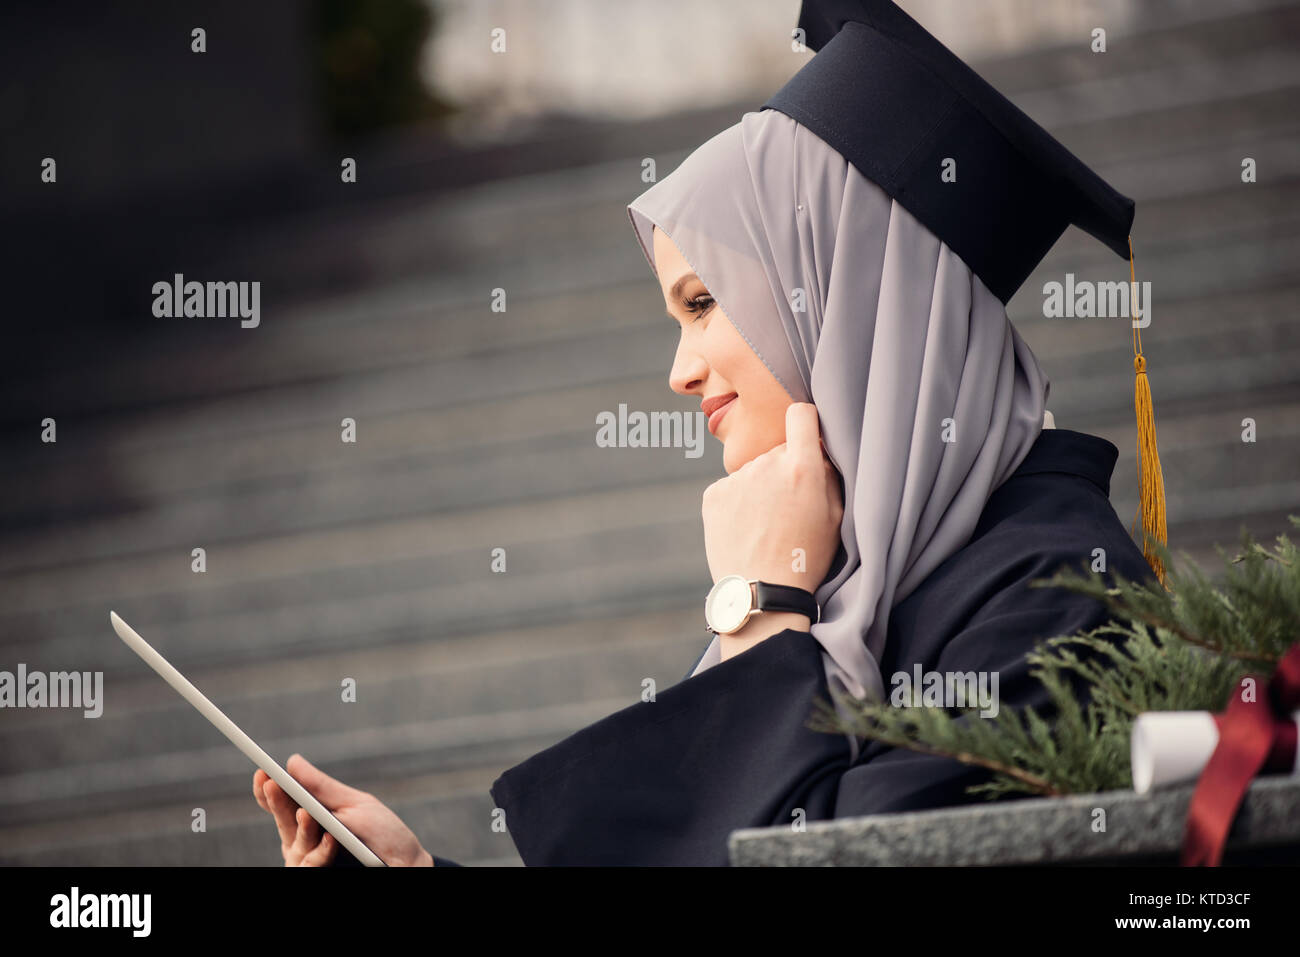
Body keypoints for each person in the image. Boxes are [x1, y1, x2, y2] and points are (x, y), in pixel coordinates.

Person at [254, 0, 1164, 866]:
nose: (679, 372)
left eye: (702, 302)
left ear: (843, 297)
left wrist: (763, 618)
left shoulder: (1060, 602)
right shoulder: (850, 580)